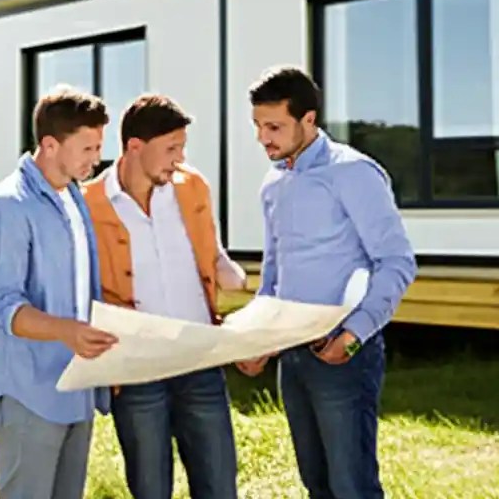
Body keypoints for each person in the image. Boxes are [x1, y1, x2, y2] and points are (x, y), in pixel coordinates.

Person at [236, 66, 416, 499]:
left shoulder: (353, 173)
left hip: (344, 357)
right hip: (293, 359)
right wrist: (259, 337)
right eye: (258, 126)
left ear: (309, 119)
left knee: (351, 487)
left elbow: (396, 262)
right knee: (316, 483)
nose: (264, 138)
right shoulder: (273, 184)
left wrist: (353, 337)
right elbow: (274, 274)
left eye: (275, 126)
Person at [80, 93, 247, 499]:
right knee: (151, 488)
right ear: (134, 147)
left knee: (219, 486)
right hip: (138, 372)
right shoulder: (89, 203)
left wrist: (240, 287)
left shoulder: (193, 188)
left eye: (182, 147)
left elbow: (214, 255)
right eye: (171, 148)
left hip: (200, 361)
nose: (179, 158)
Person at [0, 84, 119, 499]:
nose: (96, 159)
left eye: (98, 147)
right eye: (87, 148)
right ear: (51, 145)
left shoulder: (73, 197)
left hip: (77, 389)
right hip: (29, 394)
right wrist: (67, 331)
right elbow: (2, 308)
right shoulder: (7, 206)